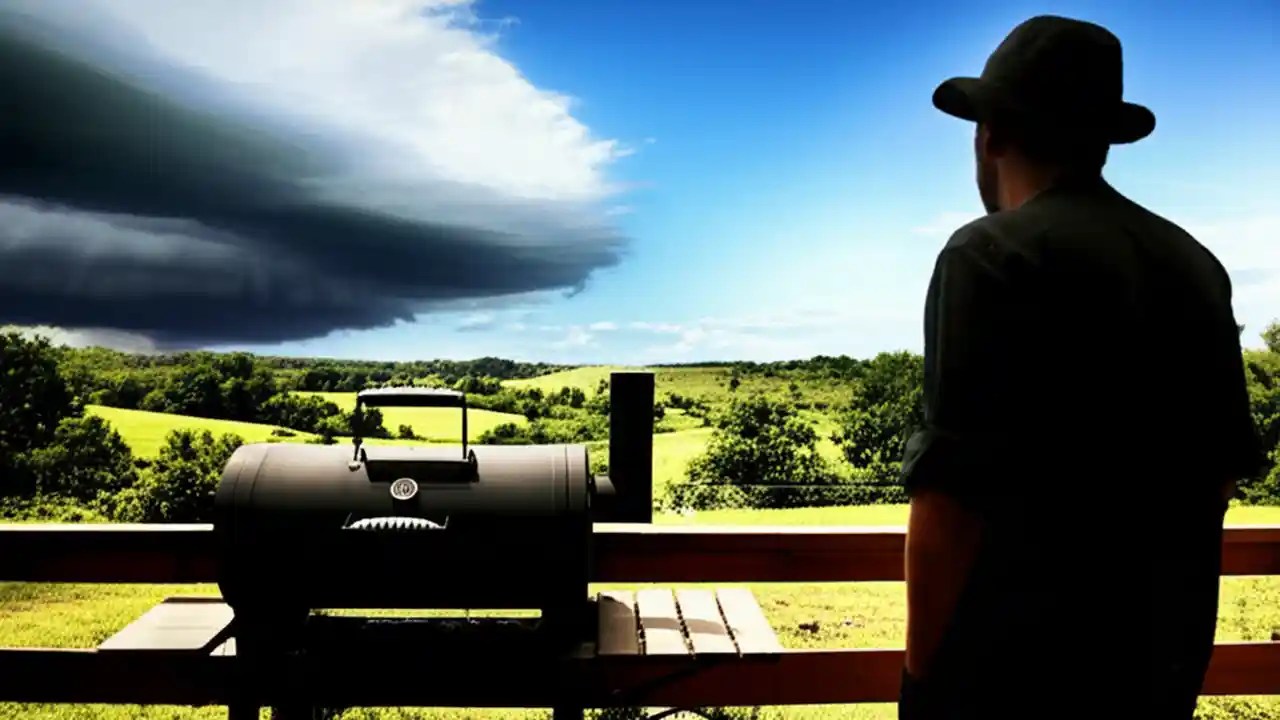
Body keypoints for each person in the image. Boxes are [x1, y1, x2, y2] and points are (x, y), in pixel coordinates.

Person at [898, 15, 1263, 720]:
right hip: (1157, 663)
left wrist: (920, 680)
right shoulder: (1192, 262)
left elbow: (949, 497)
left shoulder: (986, 254)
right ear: (1102, 141)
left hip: (1006, 677)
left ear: (990, 133)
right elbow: (1218, 473)